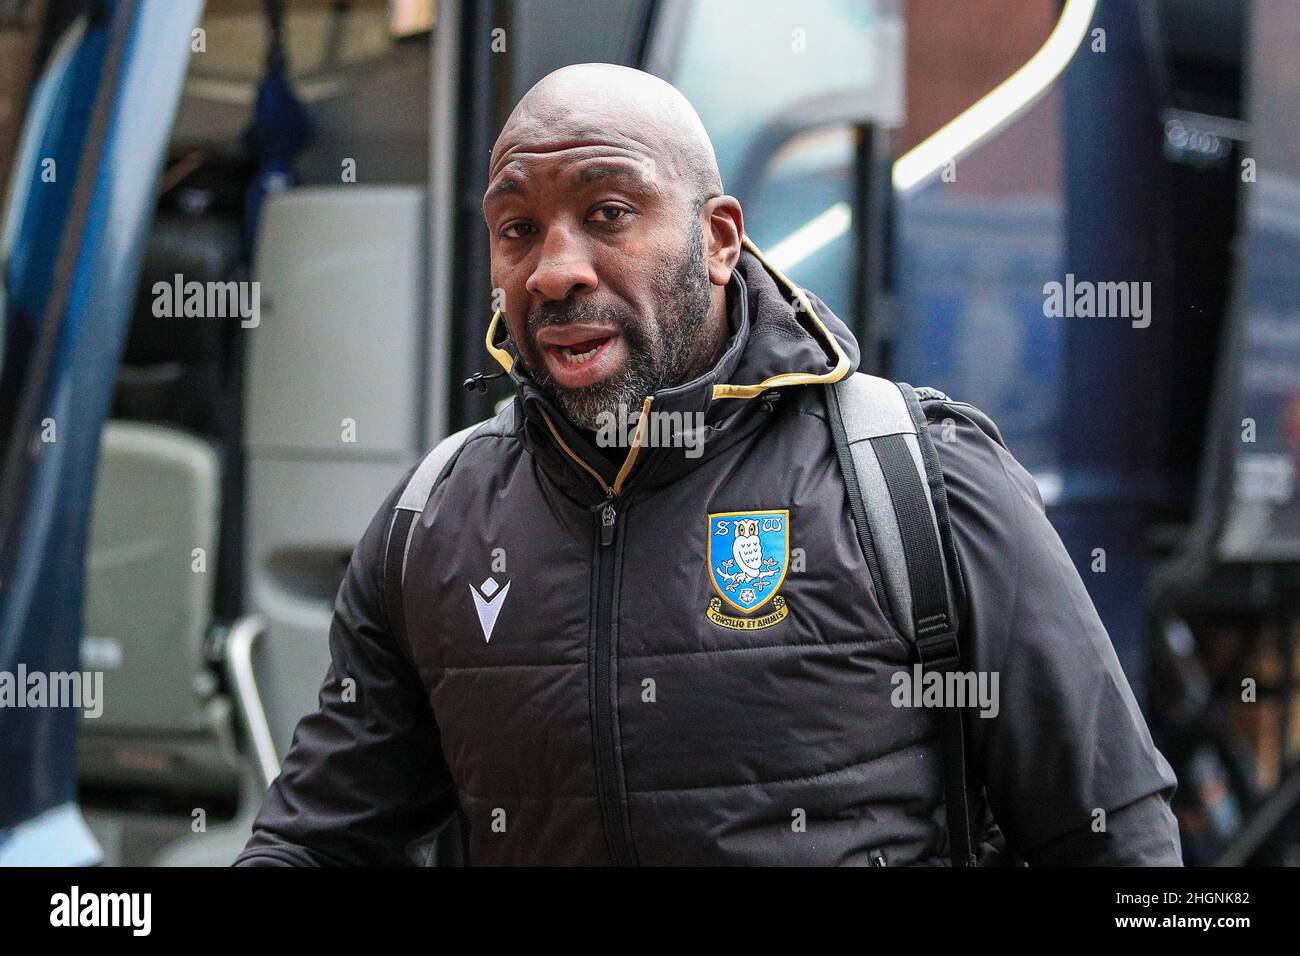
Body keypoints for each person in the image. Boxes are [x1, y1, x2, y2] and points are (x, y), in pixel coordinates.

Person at [234, 63, 1182, 866]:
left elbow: (1111, 836)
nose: (554, 270)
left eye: (608, 212)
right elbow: (316, 843)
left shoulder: (917, 481)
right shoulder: (432, 521)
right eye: (518, 228)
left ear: (719, 239)